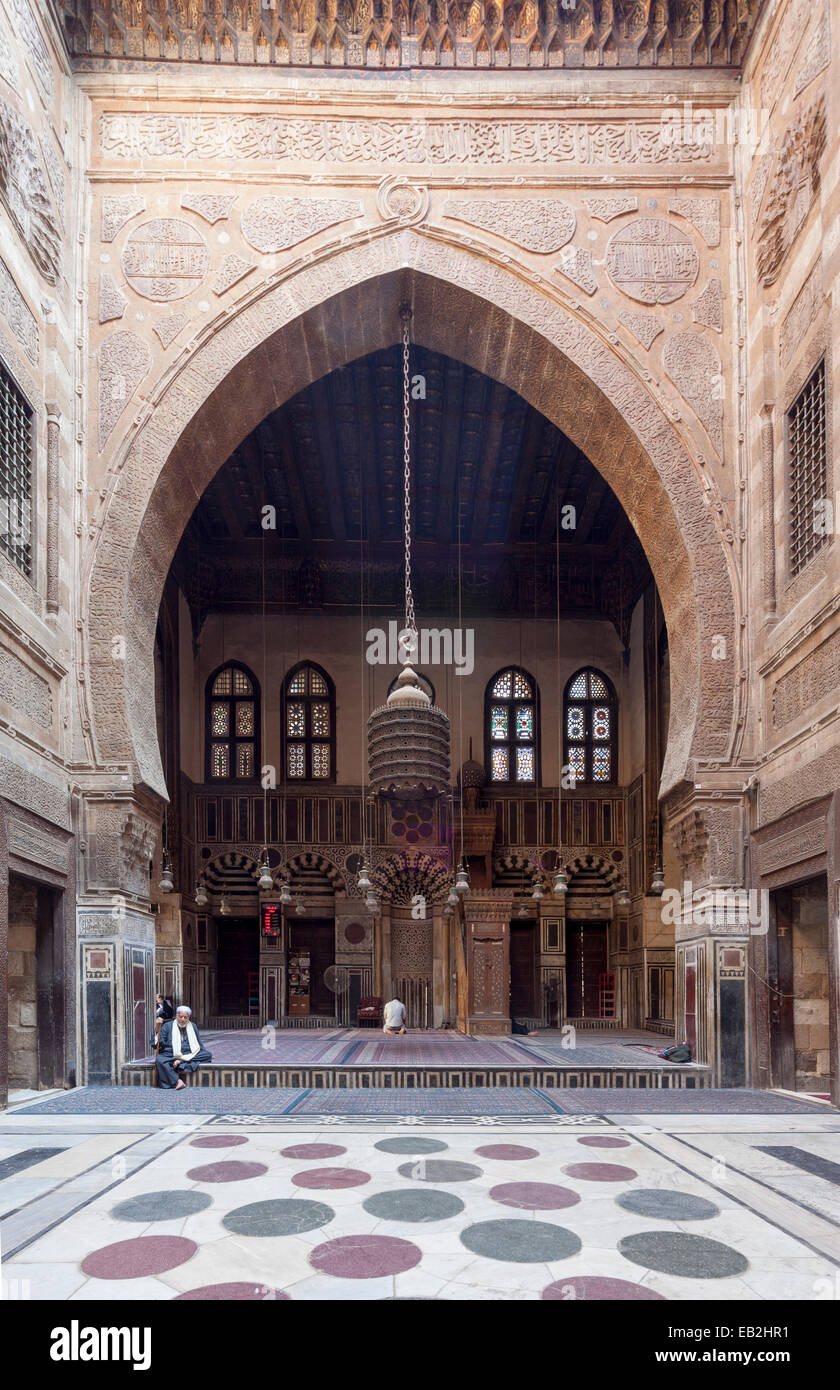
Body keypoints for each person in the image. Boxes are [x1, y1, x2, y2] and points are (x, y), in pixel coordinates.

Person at [155, 1005, 212, 1089]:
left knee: (207, 1055)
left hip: (188, 1053)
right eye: (180, 1016)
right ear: (176, 1016)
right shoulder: (167, 1026)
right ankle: (178, 1081)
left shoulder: (193, 1026)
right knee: (160, 1059)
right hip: (171, 1053)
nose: (182, 1019)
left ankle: (180, 1062)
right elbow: (160, 1043)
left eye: (185, 1017)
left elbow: (198, 1043)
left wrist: (204, 1052)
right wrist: (157, 1028)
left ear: (189, 1017)